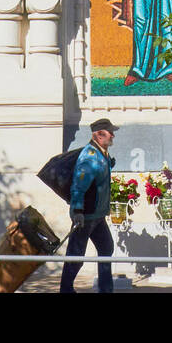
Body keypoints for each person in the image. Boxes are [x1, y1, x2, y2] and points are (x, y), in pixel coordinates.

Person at [59, 118, 118, 294]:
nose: (113, 135)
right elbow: (78, 186)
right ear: (98, 135)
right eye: (110, 132)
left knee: (106, 247)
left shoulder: (102, 155)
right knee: (76, 255)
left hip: (97, 216)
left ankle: (106, 289)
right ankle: (66, 289)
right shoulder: (90, 157)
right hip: (86, 216)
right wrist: (77, 211)